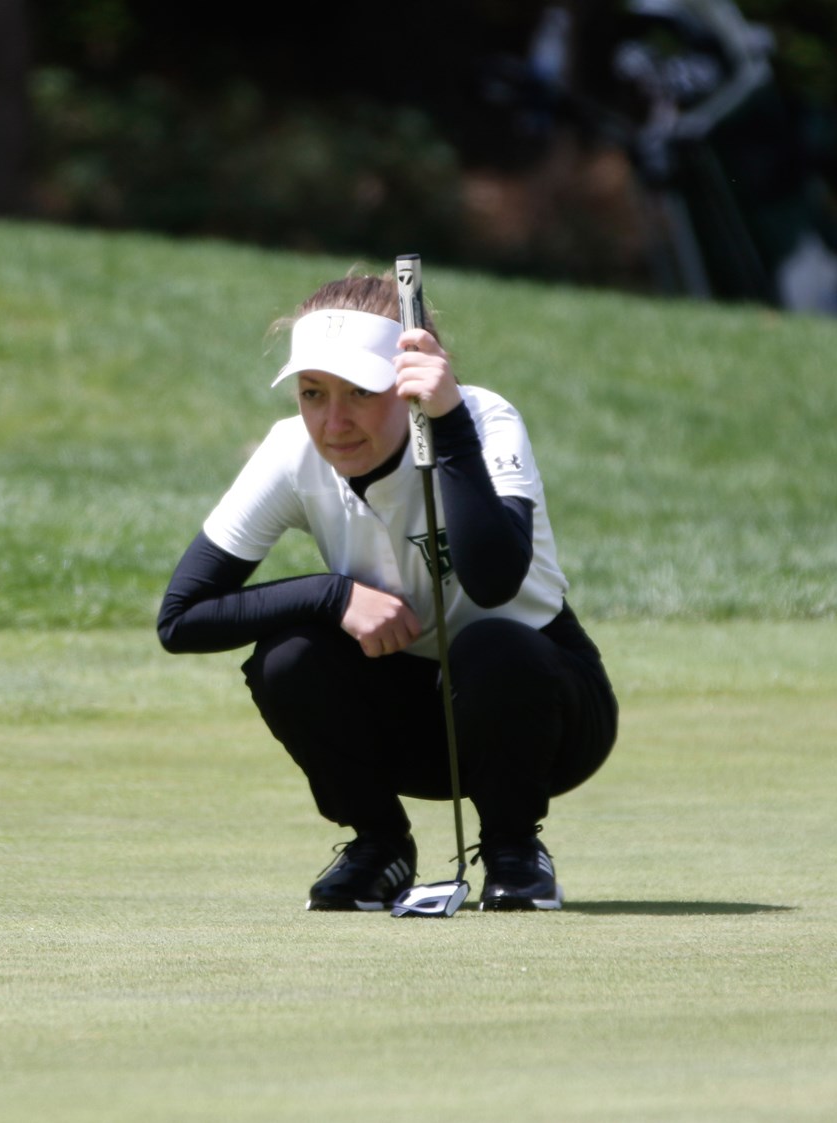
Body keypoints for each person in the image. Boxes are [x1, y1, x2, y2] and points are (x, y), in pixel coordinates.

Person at [156, 272, 618, 911]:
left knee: (491, 648)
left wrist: (449, 421)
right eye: (313, 393)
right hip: (406, 726)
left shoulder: (483, 417)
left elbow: (492, 581)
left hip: (545, 715)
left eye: (360, 392)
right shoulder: (292, 451)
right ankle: (380, 847)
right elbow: (181, 619)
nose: (333, 421)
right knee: (288, 654)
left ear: (406, 384)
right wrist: (330, 596)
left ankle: (514, 849)